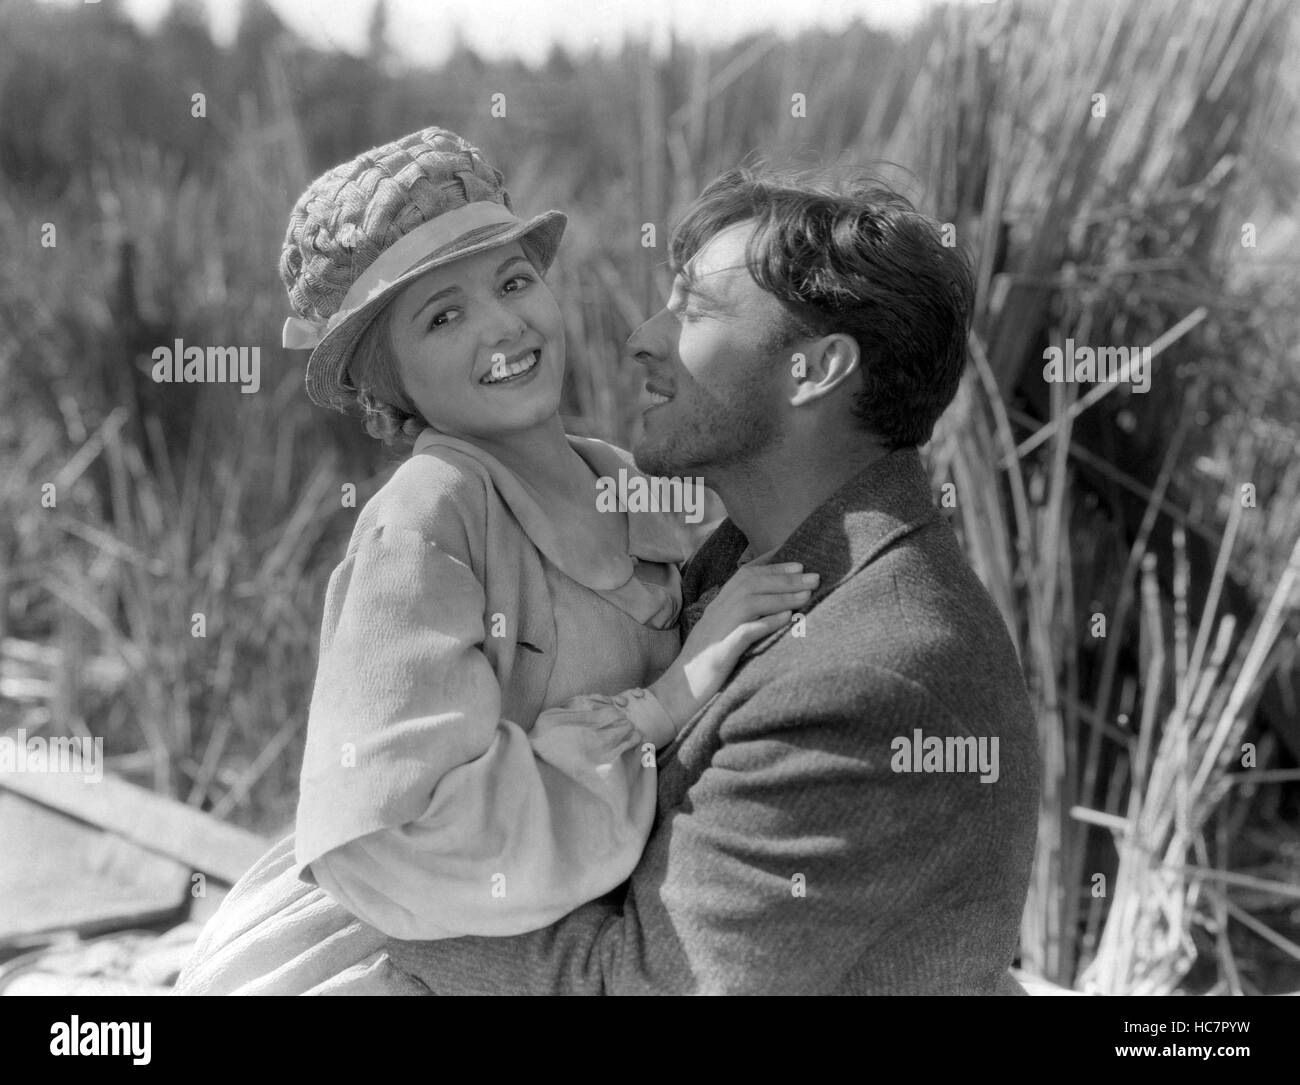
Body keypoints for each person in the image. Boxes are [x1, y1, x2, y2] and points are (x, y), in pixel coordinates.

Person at [174, 129, 811, 995]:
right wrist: (656, 710)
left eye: (514, 281)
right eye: (444, 316)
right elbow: (396, 832)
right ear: (388, 381)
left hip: (612, 942)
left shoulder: (621, 478)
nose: (505, 324)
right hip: (431, 951)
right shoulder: (423, 521)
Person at [387, 164, 1042, 995]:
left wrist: (389, 912)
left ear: (815, 370)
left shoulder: (867, 679)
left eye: (693, 309)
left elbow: (640, 986)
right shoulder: (752, 559)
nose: (643, 339)